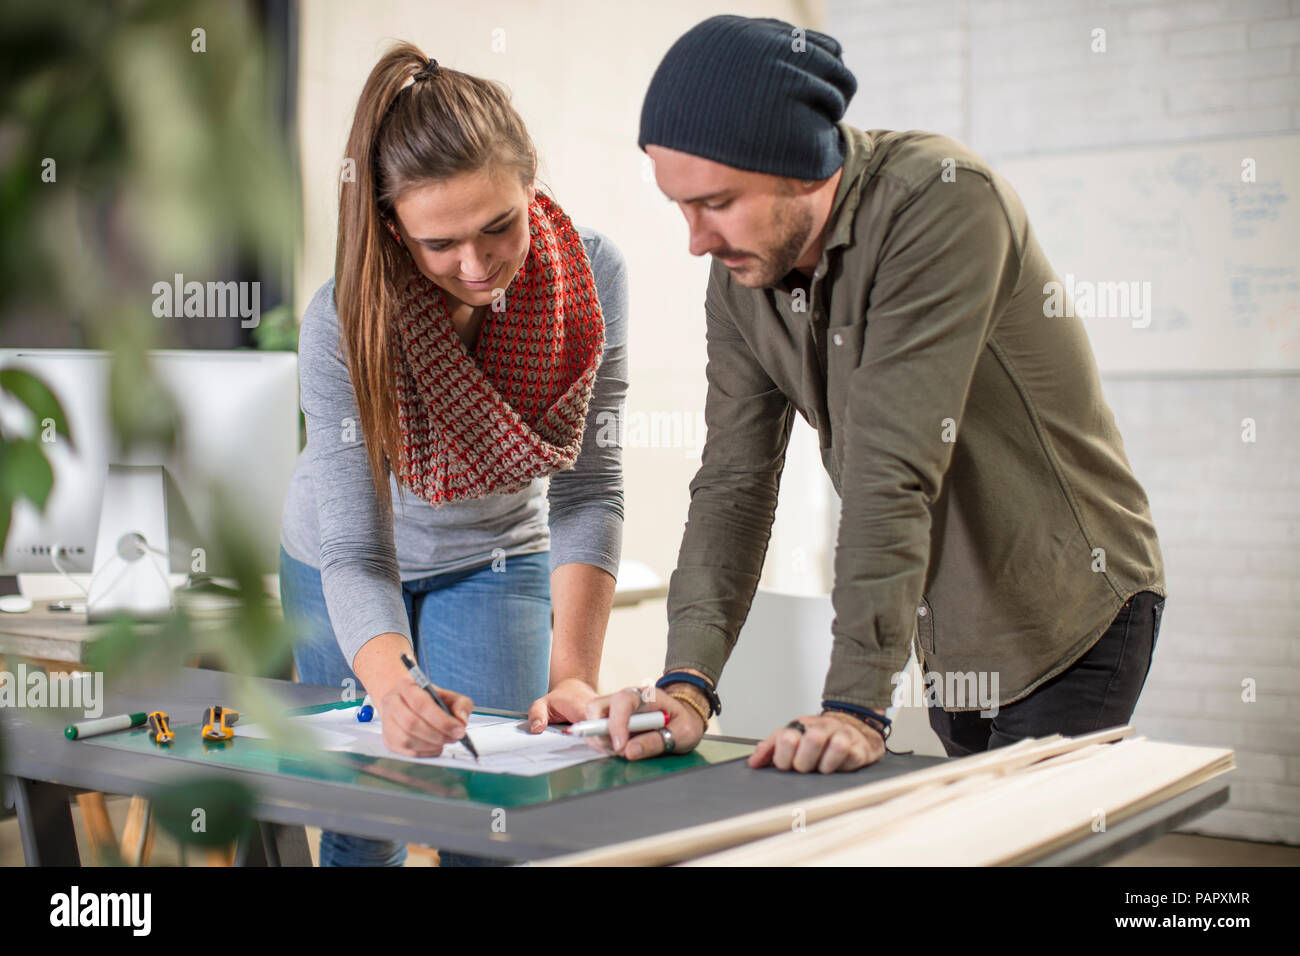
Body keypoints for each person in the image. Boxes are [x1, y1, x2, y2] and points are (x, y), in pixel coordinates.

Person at [585, 15, 1165, 774]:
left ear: (797, 165)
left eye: (717, 202)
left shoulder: (944, 204)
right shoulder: (741, 277)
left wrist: (856, 704)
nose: (696, 239)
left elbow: (891, 470)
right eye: (681, 207)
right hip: (947, 623)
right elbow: (733, 484)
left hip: (1067, 609)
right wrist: (687, 685)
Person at [278, 43, 628, 864]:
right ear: (394, 228)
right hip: (343, 559)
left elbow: (590, 492)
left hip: (494, 555)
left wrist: (572, 674)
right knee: (364, 818)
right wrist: (392, 686)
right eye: (440, 244)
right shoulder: (343, 320)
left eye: (498, 226)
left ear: (529, 182)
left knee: (491, 816)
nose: (477, 267)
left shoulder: (592, 275)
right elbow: (358, 548)